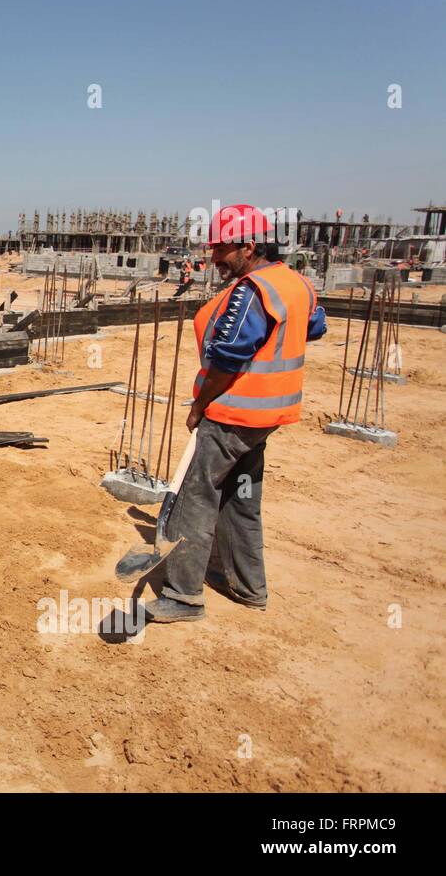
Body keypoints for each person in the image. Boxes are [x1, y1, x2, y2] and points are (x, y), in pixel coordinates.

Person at [120, 204, 327, 623]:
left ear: (249, 246)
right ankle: (248, 587)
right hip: (270, 416)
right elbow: (314, 327)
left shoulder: (252, 292)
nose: (214, 259)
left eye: (223, 250)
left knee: (195, 500)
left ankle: (182, 597)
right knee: (241, 499)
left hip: (233, 415)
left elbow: (229, 358)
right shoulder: (297, 284)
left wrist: (199, 405)